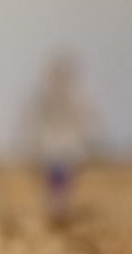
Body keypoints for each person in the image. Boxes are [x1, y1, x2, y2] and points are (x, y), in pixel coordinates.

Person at [23, 55, 101, 221]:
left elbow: (86, 123)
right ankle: (56, 210)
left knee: (62, 181)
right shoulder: (43, 100)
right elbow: (34, 123)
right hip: (50, 148)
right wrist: (33, 147)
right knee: (54, 181)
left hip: (67, 149)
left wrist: (87, 145)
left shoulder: (77, 100)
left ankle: (60, 210)